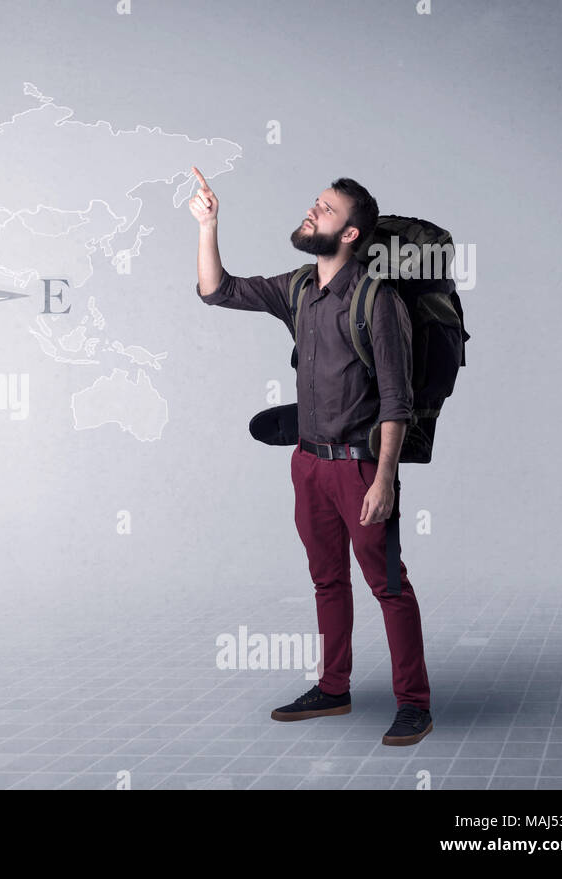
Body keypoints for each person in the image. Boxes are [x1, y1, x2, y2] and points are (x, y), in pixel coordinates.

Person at [188, 167, 432, 746]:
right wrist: (208, 224)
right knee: (327, 581)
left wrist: (386, 481)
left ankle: (415, 704)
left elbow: (399, 400)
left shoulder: (378, 300)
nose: (312, 211)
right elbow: (216, 290)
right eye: (316, 203)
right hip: (308, 464)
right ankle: (333, 687)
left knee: (390, 585)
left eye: (325, 209)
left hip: (361, 468)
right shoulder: (298, 287)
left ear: (349, 234)